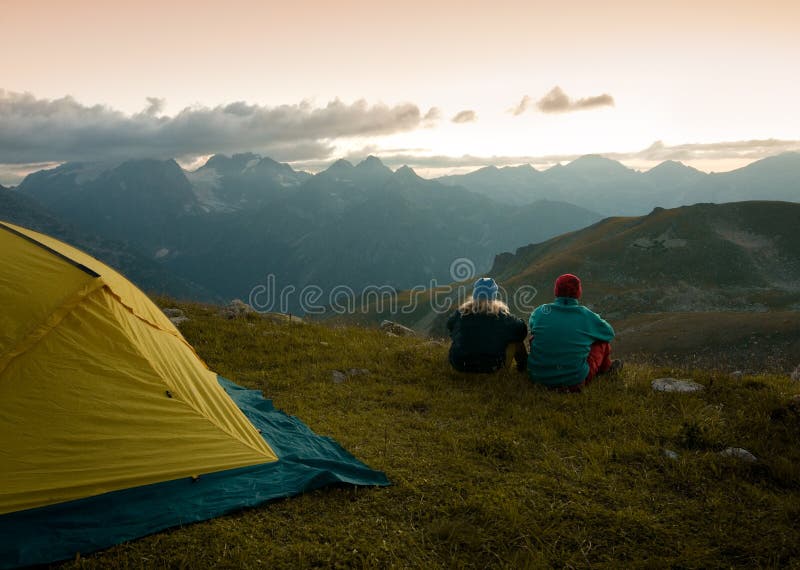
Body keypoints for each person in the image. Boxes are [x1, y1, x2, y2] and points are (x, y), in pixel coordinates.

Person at [527, 273, 622, 391]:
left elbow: (532, 327)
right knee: (602, 343)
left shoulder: (540, 311)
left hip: (537, 377)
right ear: (578, 292)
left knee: (535, 338)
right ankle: (607, 370)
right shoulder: (586, 315)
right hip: (574, 381)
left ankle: (544, 369)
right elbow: (609, 333)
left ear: (556, 290)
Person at [447, 277, 528, 373]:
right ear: (494, 295)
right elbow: (521, 330)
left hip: (460, 365)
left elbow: (450, 325)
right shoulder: (502, 316)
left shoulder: (461, 312)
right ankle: (523, 368)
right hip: (491, 367)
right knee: (516, 338)